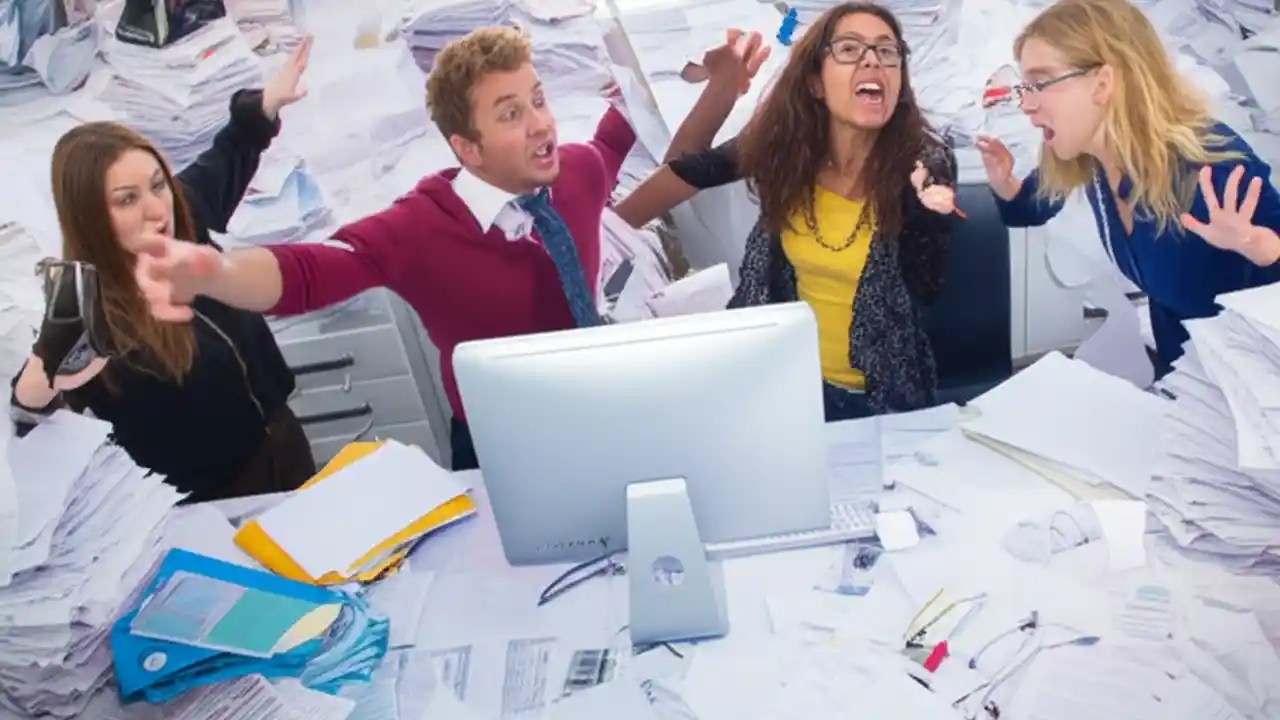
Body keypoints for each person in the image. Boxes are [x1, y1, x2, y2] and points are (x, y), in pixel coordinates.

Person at [127, 27, 770, 471]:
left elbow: (618, 140)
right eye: (511, 113)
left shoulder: (573, 172)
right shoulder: (421, 228)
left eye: (539, 100)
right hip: (499, 443)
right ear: (466, 147)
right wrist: (213, 271)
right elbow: (306, 274)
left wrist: (709, 78)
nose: (542, 122)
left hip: (595, 406)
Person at [614, 2, 960, 420]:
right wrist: (603, 236)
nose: (873, 60)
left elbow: (927, 285)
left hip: (878, 400)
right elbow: (686, 170)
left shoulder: (923, 166)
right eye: (850, 50)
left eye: (888, 52)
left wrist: (923, 194)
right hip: (780, 383)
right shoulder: (788, 147)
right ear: (815, 81)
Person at [9, 39, 317, 503]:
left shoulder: (182, 216)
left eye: (157, 184)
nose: (158, 209)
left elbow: (231, 152)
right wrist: (45, 365)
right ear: (91, 215)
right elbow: (28, 415)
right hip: (207, 505)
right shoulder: (93, 308)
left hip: (283, 447)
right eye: (127, 199)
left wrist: (267, 103)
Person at [976, 0, 1280, 377]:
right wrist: (1006, 185)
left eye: (1039, 84)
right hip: (1189, 383)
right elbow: (1030, 208)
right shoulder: (1096, 160)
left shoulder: (1210, 163)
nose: (1026, 104)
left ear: (1103, 83)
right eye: (1024, 87)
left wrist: (1260, 248)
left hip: (1257, 395)